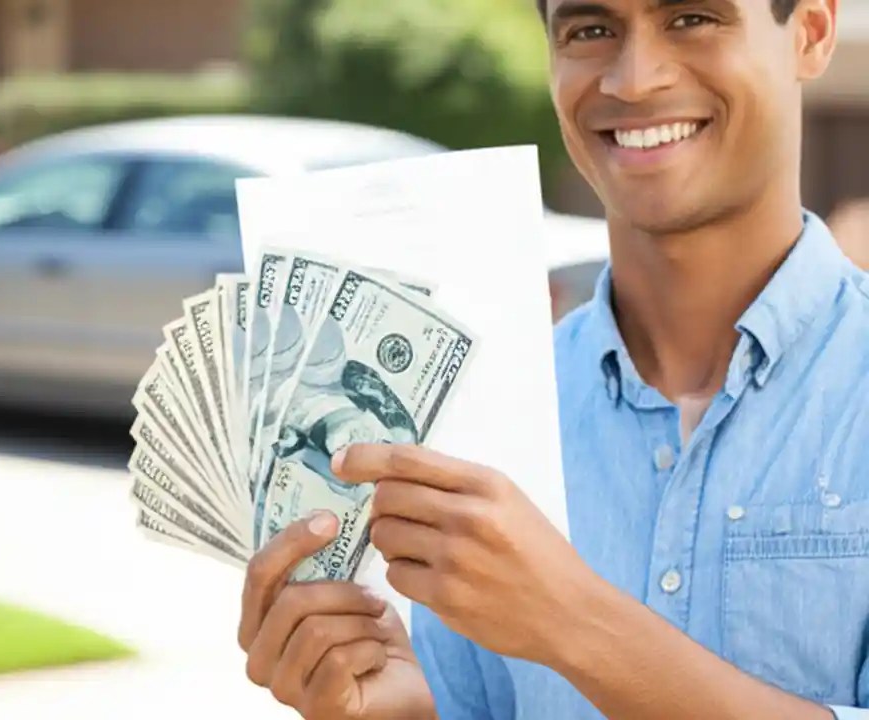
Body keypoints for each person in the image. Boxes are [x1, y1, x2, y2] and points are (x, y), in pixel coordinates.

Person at [238, 1, 869, 718]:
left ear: (812, 33)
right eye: (590, 30)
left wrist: (572, 622)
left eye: (693, 17)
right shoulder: (474, 417)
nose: (633, 80)